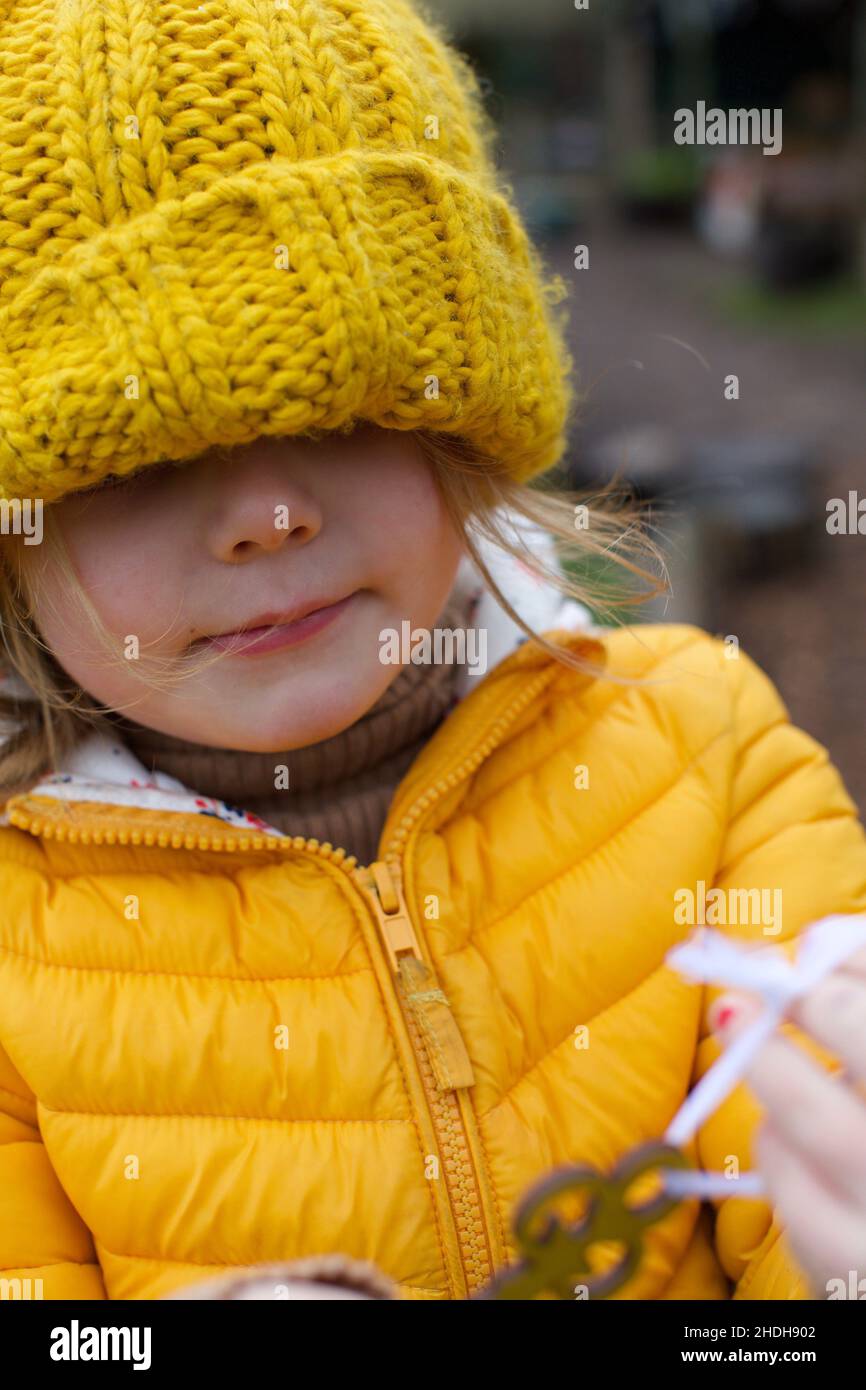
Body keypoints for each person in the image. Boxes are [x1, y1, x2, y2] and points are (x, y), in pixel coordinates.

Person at [0, 0, 864, 1303]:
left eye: (341, 406)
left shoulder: (707, 761)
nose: (267, 514)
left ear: (462, 418)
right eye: (140, 456)